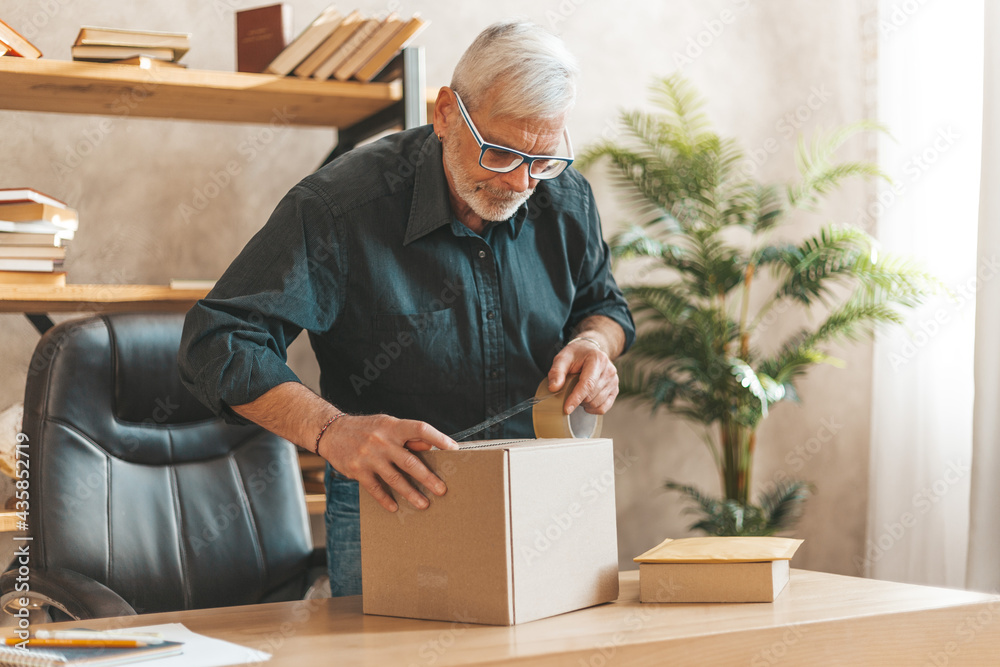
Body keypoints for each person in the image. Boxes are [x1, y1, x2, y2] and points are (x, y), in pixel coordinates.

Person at [178, 20, 635, 597]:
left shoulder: (565, 198)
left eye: (541, 159)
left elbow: (603, 305)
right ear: (446, 114)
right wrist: (332, 431)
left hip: (543, 495)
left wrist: (594, 344)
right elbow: (218, 341)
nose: (522, 182)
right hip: (395, 501)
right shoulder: (340, 207)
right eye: (500, 152)